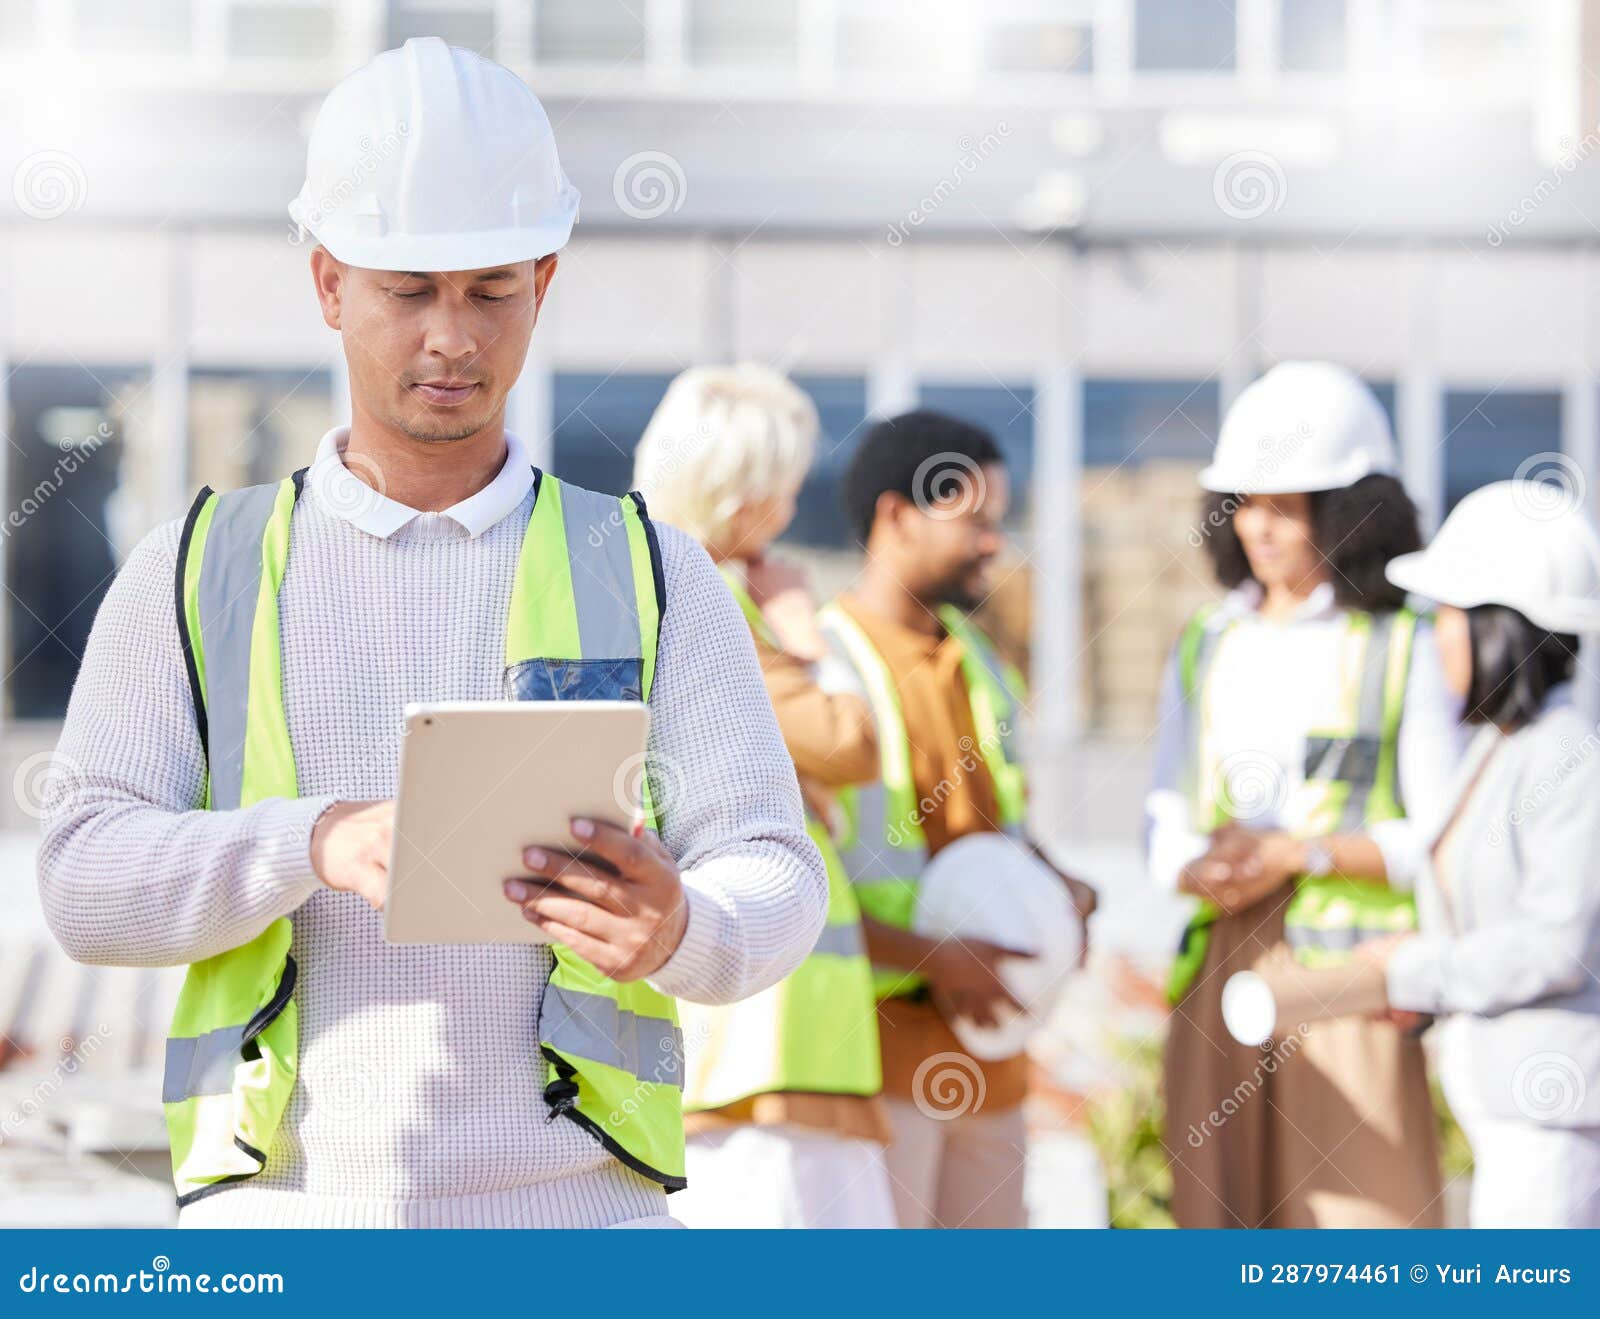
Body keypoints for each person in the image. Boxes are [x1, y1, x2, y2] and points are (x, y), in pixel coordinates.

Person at [36, 38, 827, 1229]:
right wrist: (310, 841)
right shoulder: (195, 571)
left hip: (587, 1227)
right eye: (408, 290)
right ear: (329, 286)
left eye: (491, 290)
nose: (453, 337)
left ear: (544, 282)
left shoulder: (656, 572)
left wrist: (683, 926)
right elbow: (83, 879)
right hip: (285, 1222)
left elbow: (776, 870)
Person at [1148, 361, 1466, 1228]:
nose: (1259, 527)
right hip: (1224, 965)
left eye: (1285, 507)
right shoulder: (1207, 641)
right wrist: (1196, 867)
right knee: (1220, 1225)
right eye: (1246, 503)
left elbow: (1444, 836)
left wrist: (1303, 854)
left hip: (1349, 976)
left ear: (1350, 510)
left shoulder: (1407, 642)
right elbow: (1165, 814)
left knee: (1364, 1235)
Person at [631, 363, 896, 1229]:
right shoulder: (714, 599)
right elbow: (849, 740)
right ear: (744, 495)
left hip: (757, 1035)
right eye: (779, 489)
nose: (786, 511)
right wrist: (800, 629)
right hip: (760, 1040)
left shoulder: (633, 586)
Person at [823, 409, 1092, 1229]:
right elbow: (806, 888)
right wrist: (936, 959)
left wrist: (1060, 891)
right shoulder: (825, 670)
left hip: (993, 1059)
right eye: (974, 521)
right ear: (896, 517)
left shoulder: (980, 661)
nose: (993, 545)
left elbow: (1000, 827)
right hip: (878, 1061)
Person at [1365, 479, 1600, 1228]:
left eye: (1449, 620)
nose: (1437, 640)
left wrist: (1415, 969)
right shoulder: (1501, 750)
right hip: (1505, 1106)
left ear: (1503, 628)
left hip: (1553, 1116)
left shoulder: (1566, 756)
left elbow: (1557, 944)